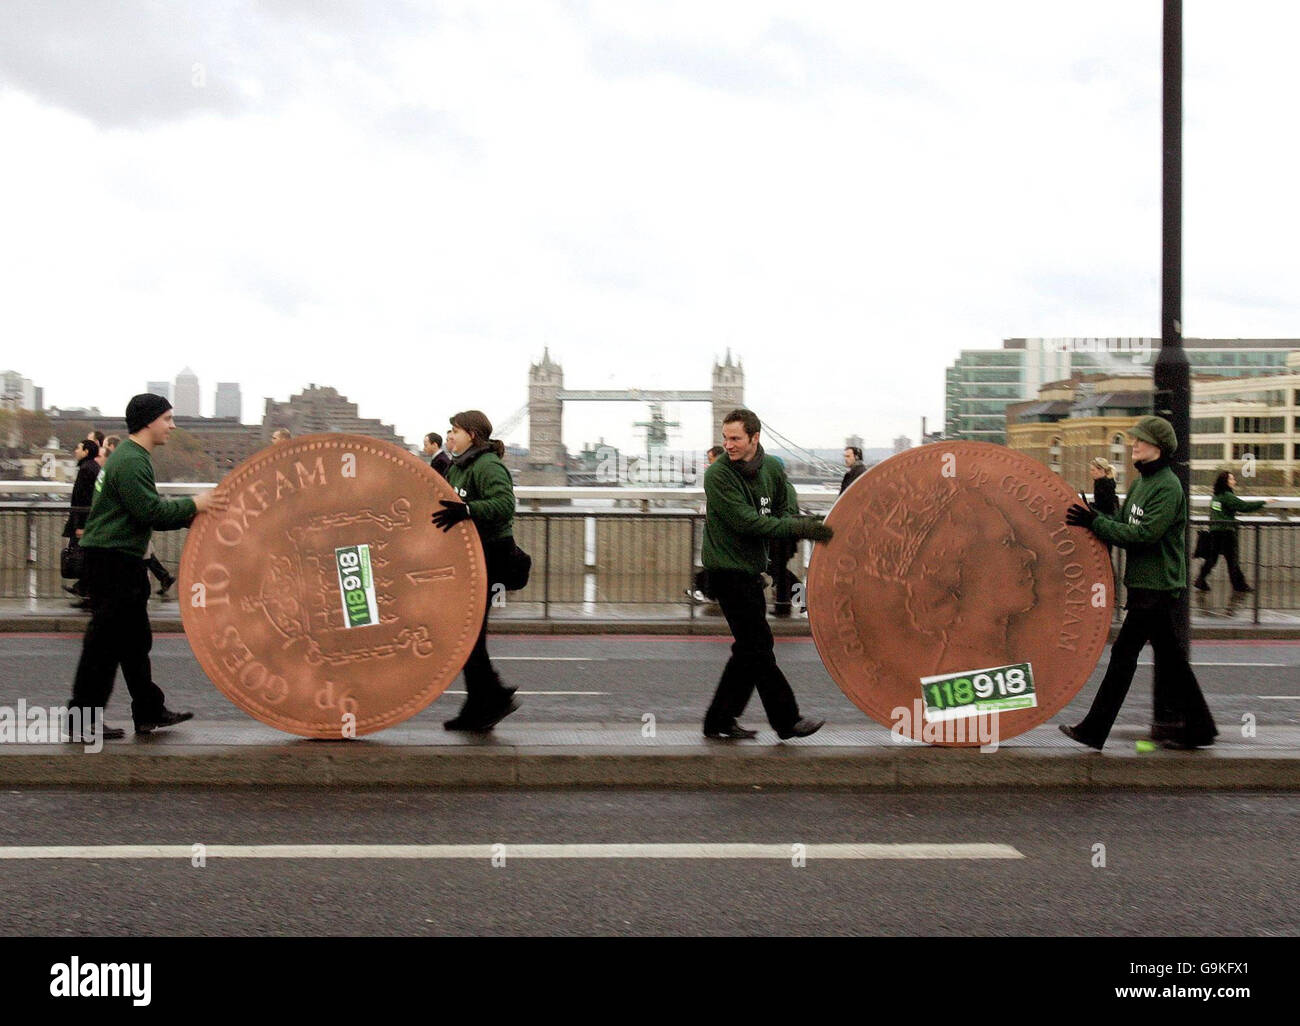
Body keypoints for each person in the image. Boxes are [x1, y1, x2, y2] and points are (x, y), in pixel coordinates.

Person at [67, 394, 228, 741]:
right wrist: (194, 503)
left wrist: (191, 516)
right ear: (149, 421)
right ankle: (81, 721)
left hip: (120, 560)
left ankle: (148, 711)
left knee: (134, 642)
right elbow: (149, 512)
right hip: (114, 562)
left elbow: (143, 511)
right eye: (168, 418)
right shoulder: (131, 461)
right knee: (103, 649)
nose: (172, 425)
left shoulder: (131, 456)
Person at [1060, 415, 1217, 751]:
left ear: (1157, 448)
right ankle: (1201, 727)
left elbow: (1144, 535)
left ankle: (1094, 729)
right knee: (1171, 659)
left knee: (1123, 655)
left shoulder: (1168, 487)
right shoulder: (1140, 484)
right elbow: (1120, 522)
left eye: (1140, 441)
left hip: (1159, 586)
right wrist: (1093, 517)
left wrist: (1096, 523)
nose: (1134, 445)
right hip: (1145, 585)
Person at [701, 408, 833, 741]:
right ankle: (787, 720)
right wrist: (799, 527)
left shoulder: (772, 467)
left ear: (754, 438)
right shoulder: (718, 475)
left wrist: (792, 520)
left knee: (748, 650)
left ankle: (718, 719)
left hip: (751, 572)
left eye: (735, 438)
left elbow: (784, 504)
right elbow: (748, 522)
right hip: (726, 572)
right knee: (759, 646)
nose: (728, 445)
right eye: (725, 438)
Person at [430, 410, 520, 731]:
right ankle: (484, 702)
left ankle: (488, 700)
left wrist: (467, 510)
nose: (449, 436)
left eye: (454, 430)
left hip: (490, 557)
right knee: (468, 635)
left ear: (472, 434)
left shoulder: (487, 465)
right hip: (469, 559)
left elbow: (504, 504)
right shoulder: (459, 467)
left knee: (468, 634)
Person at [1195, 470, 1269, 593]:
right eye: (1232, 479)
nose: (1234, 481)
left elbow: (1218, 513)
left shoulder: (1216, 496)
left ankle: (1200, 580)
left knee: (1212, 559)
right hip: (1226, 532)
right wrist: (1264, 502)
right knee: (1232, 560)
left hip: (1215, 531)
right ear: (1225, 482)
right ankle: (1239, 585)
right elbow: (1244, 507)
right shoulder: (1227, 496)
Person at [62, 439, 101, 604]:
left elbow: (82, 500)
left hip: (84, 521)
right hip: (90, 520)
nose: (75, 451)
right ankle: (83, 589)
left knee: (82, 557)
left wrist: (80, 526)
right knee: (87, 557)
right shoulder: (94, 468)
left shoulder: (85, 470)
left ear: (86, 451)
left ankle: (85, 591)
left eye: (78, 448)